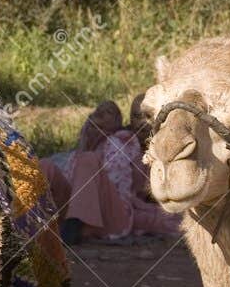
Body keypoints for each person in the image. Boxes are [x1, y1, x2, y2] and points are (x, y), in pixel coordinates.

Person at [41, 99, 182, 244]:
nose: (142, 123)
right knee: (45, 166)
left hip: (114, 216)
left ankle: (73, 228)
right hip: (77, 207)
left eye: (149, 116)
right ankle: (24, 222)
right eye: (136, 116)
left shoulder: (167, 152)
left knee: (88, 160)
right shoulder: (106, 142)